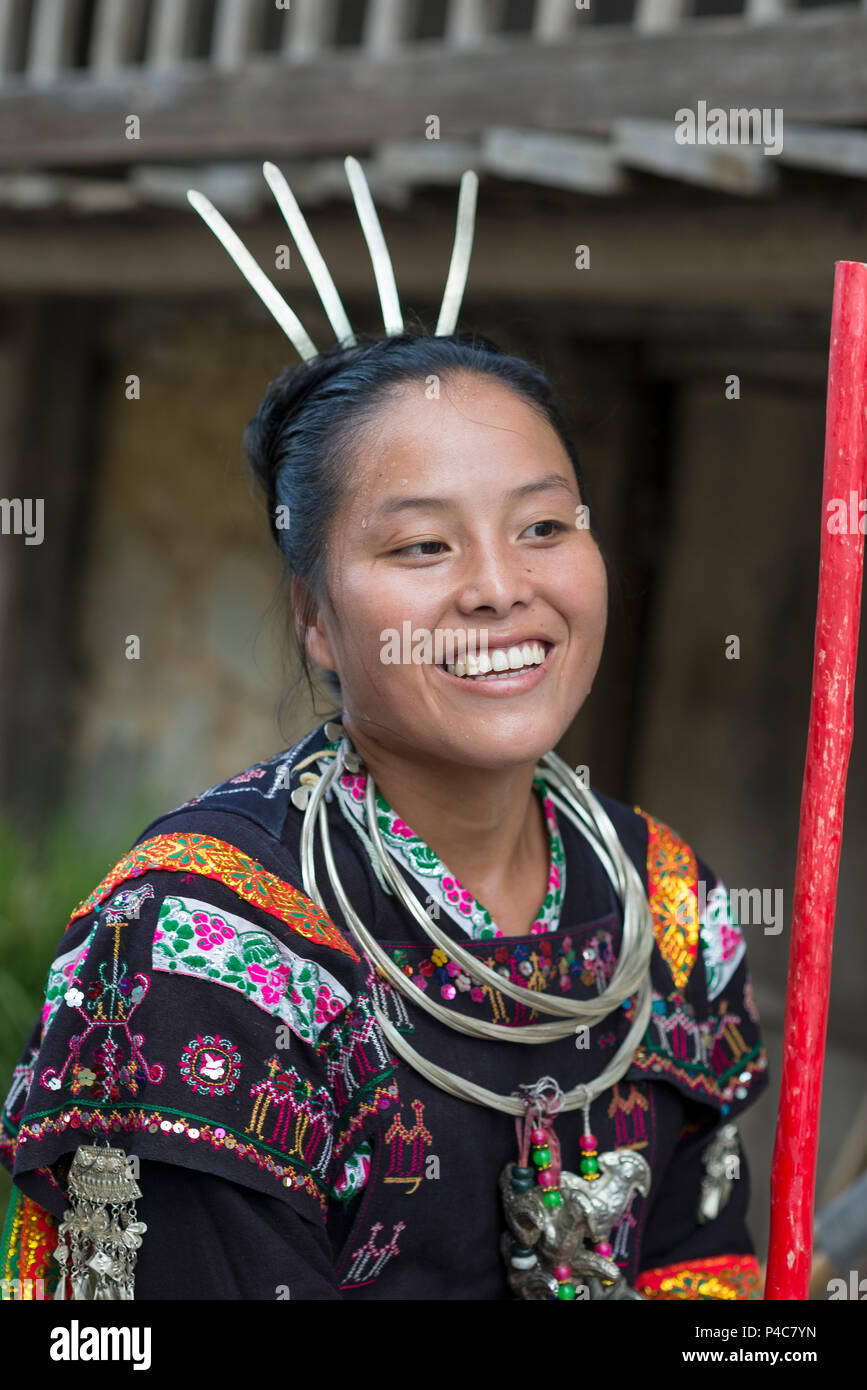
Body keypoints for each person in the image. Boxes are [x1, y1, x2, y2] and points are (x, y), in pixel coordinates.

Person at [0, 329, 768, 1301]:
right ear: (316, 619)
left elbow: (703, 1265)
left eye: (542, 527)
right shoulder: (198, 946)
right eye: (423, 546)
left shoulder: (666, 899)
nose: (501, 588)